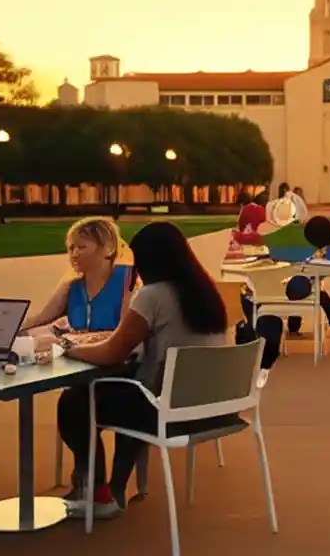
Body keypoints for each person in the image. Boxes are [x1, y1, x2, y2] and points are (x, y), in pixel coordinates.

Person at [56, 222, 229, 518]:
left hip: (166, 410)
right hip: (212, 407)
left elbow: (112, 352)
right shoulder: (205, 292)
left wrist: (71, 349)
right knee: (127, 391)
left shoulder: (153, 295)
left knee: (75, 402)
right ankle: (115, 489)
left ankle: (97, 490)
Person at [20, 217, 136, 350]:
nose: (74, 254)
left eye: (81, 247)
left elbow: (124, 335)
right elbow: (38, 320)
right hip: (79, 360)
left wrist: (66, 341)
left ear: (109, 248)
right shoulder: (71, 286)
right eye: (71, 248)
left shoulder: (129, 281)